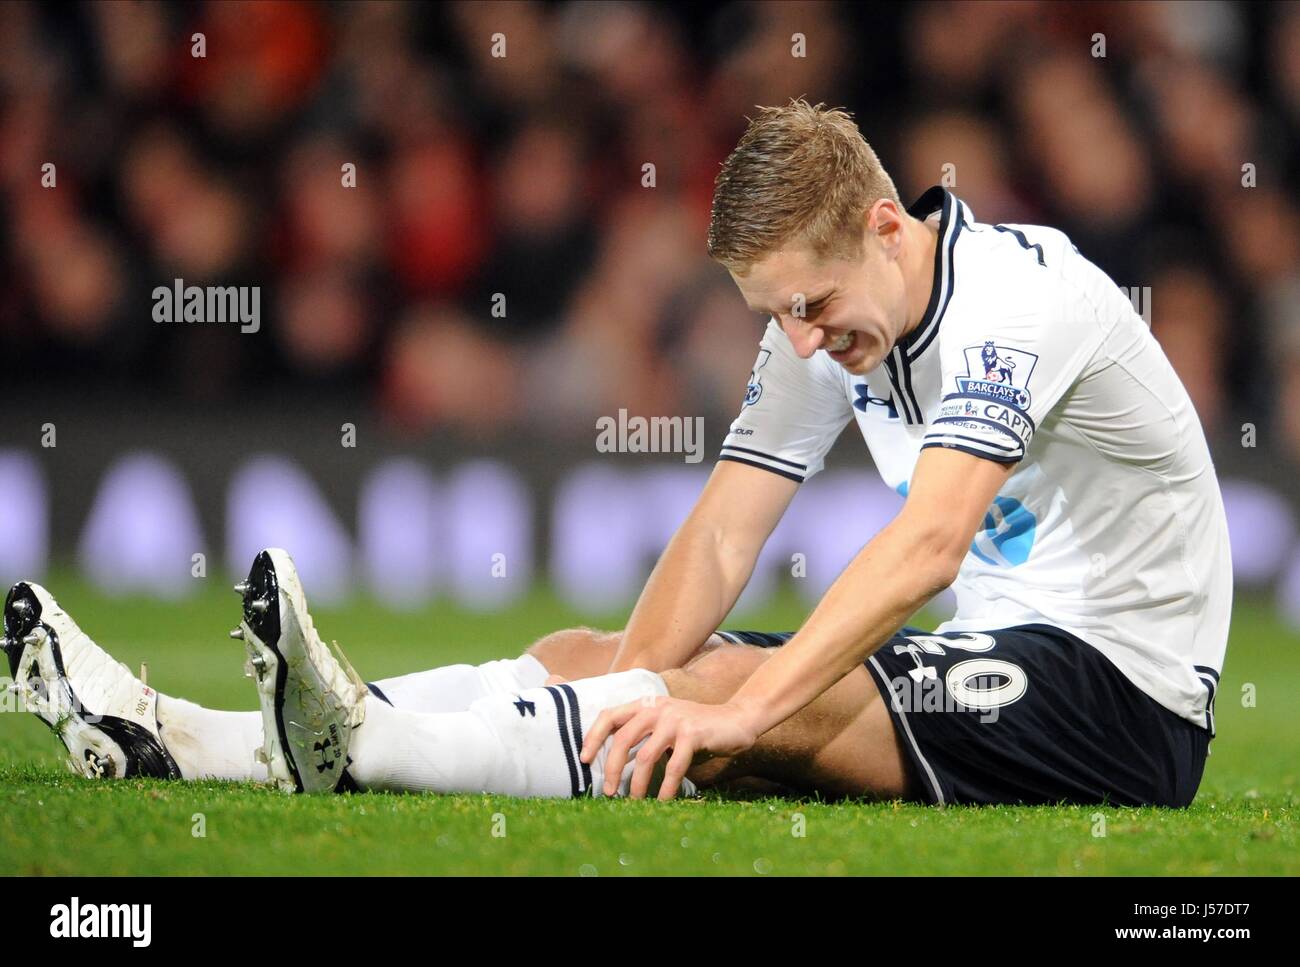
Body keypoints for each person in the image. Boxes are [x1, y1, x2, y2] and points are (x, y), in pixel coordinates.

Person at [3, 99, 1230, 806]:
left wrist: (737, 707)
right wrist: (616, 684)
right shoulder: (823, 328)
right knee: (589, 655)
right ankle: (176, 733)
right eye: (773, 316)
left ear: (882, 224)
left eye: (811, 304)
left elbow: (926, 543)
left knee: (725, 705)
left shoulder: (1023, 301)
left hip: (1121, 698)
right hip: (997, 654)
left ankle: (359, 748)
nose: (802, 339)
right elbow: (723, 530)